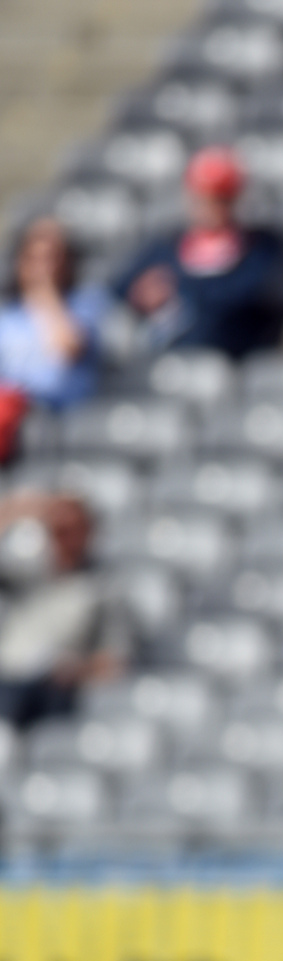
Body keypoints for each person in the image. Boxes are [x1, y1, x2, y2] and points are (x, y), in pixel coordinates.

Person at [114, 146, 283, 357]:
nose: (209, 207)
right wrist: (140, 294)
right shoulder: (165, 247)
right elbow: (117, 287)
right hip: (168, 361)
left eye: (220, 198)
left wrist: (181, 290)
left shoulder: (261, 248)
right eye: (203, 197)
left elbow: (243, 300)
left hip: (234, 360)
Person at [0, 490, 128, 728]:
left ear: (89, 532)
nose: (64, 539)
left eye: (72, 530)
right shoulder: (24, 573)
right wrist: (23, 510)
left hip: (51, 691)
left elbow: (113, 662)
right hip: (7, 678)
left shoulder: (103, 588)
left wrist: (75, 670)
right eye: (56, 531)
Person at [0, 219, 109, 458]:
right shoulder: (8, 316)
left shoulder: (86, 305)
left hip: (58, 415)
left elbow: (68, 348)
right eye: (34, 258)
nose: (43, 266)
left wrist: (44, 294)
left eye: (52, 257)